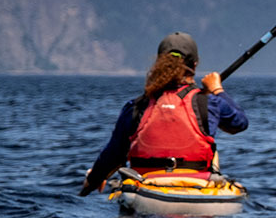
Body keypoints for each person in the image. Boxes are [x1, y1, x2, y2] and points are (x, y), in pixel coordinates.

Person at [80, 32, 248, 194]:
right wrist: (217, 89)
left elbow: (114, 153)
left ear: (160, 63)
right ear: (195, 65)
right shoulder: (208, 102)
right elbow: (239, 123)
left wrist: (95, 178)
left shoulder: (138, 106)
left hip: (145, 187)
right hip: (197, 187)